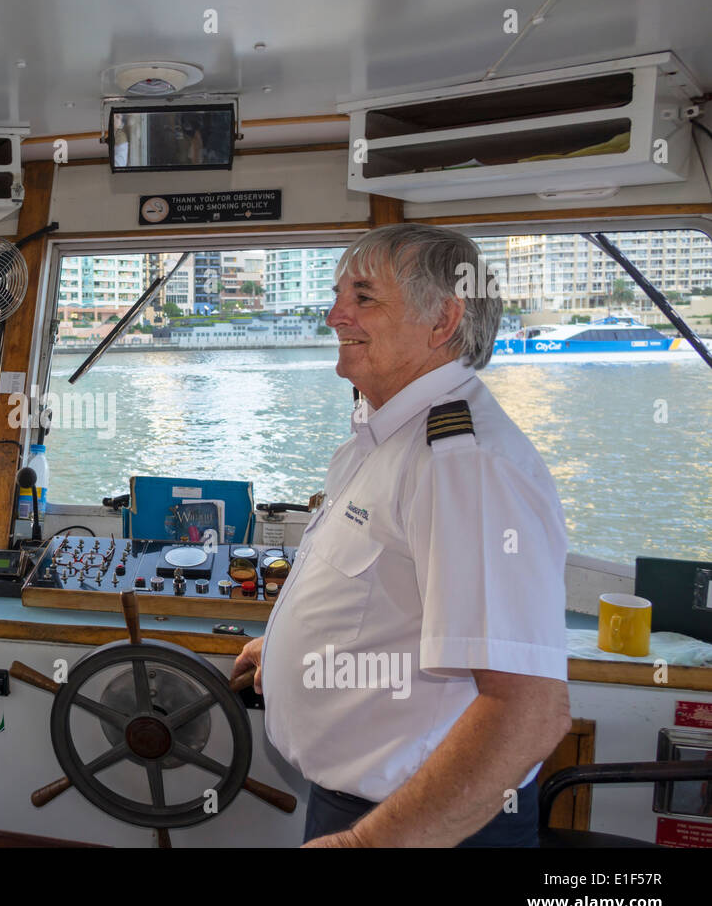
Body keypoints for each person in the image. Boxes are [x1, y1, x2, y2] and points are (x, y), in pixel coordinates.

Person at [234, 223, 570, 847]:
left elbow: (527, 712)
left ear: (443, 319)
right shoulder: (388, 437)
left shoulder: (465, 466)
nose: (335, 315)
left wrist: (367, 844)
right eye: (339, 295)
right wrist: (289, 658)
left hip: (430, 823)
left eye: (364, 297)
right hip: (368, 807)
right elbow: (387, 603)